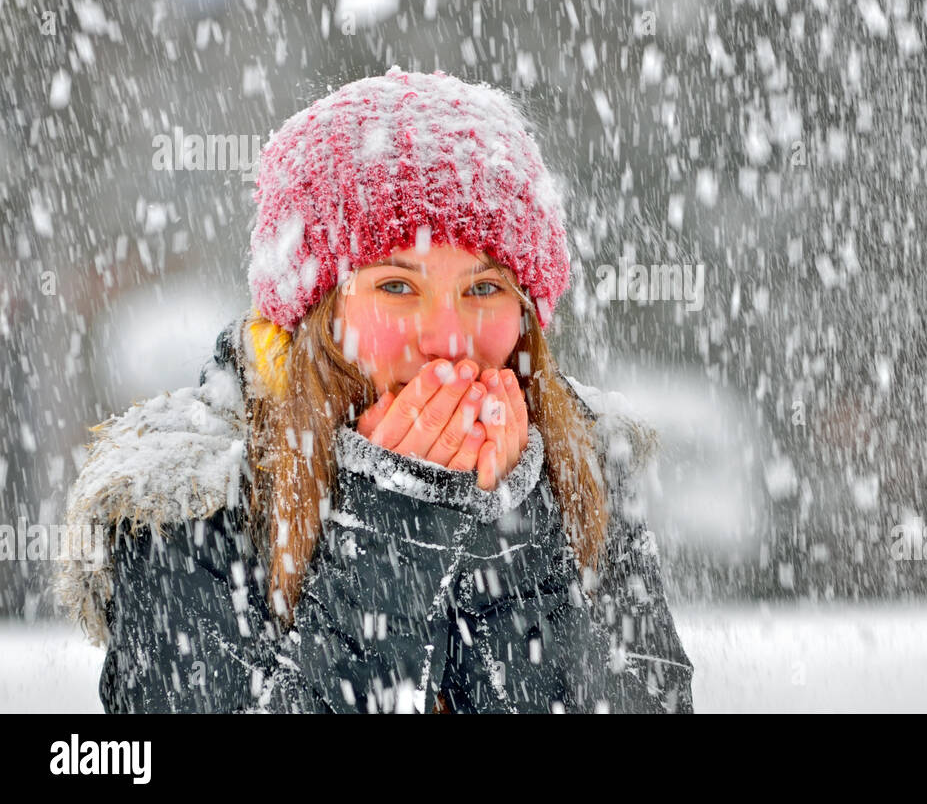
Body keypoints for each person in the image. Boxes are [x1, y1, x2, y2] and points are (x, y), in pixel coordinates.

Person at [52, 67, 695, 713]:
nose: (448, 338)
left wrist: (510, 533)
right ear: (315, 315)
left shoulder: (577, 466)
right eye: (396, 285)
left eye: (483, 288)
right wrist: (393, 531)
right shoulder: (190, 506)